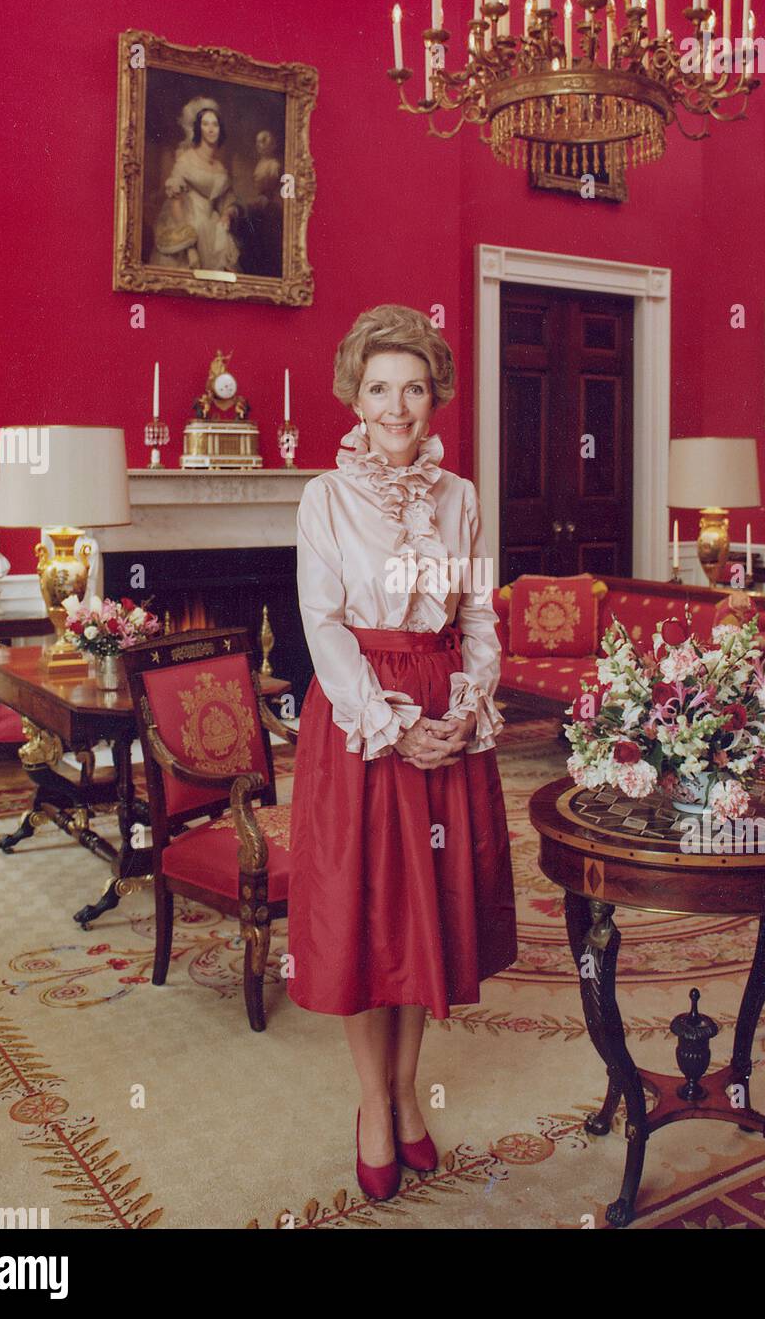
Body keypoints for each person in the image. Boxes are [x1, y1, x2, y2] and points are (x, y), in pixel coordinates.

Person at [288, 304, 518, 1201]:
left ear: (435, 397)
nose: (396, 406)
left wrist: (466, 704)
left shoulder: (460, 497)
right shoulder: (323, 496)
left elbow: (476, 616)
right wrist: (390, 724)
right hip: (362, 721)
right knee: (366, 914)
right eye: (379, 388)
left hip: (445, 711)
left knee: (428, 919)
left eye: (413, 388)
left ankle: (408, 1094)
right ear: (355, 395)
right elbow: (320, 622)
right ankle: (370, 1105)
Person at [150, 97, 241, 271]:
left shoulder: (220, 167)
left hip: (214, 228)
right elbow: (175, 202)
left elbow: (228, 199)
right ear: (198, 128)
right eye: (206, 124)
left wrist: (227, 214)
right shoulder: (186, 159)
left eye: (215, 124)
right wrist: (189, 246)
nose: (211, 129)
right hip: (189, 222)